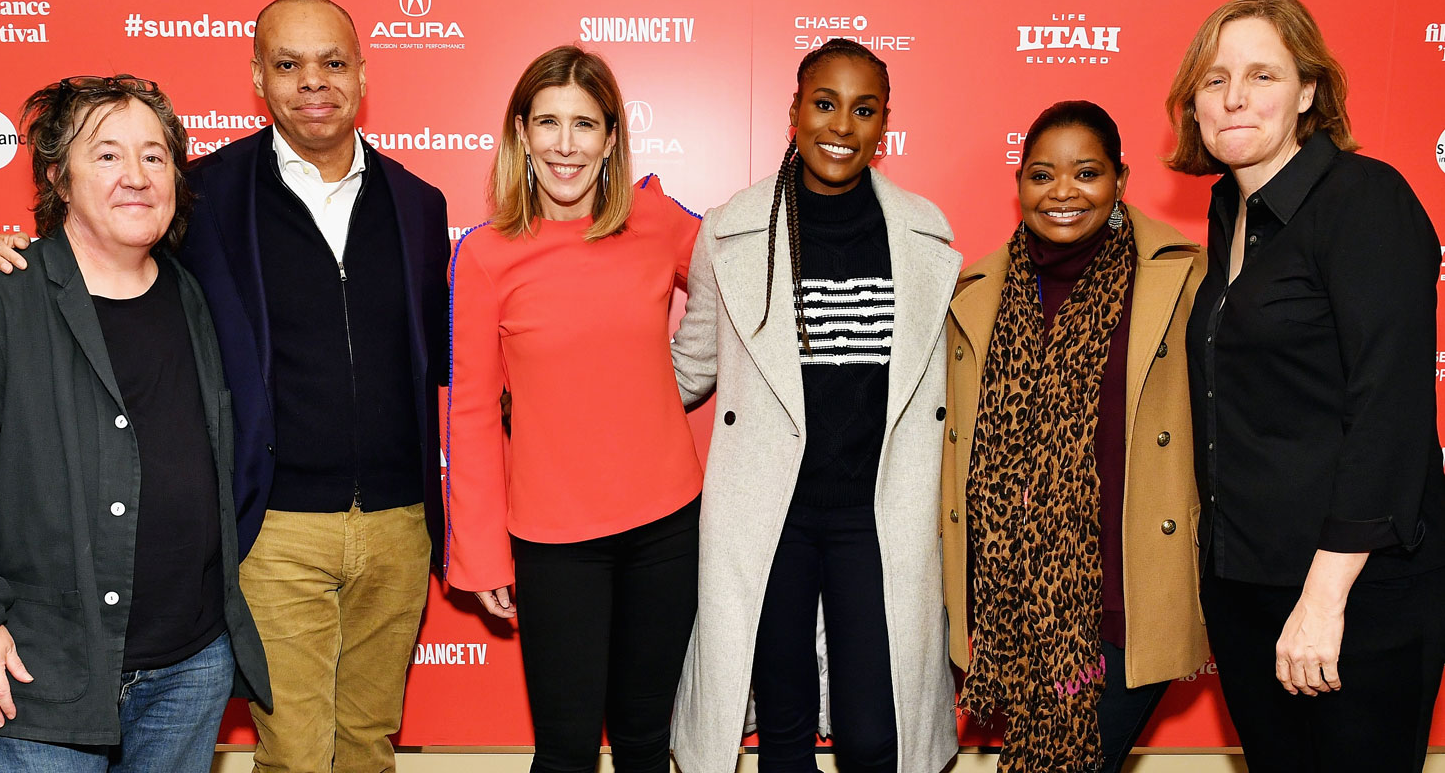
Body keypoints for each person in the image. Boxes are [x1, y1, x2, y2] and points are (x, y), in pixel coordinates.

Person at [0, 0, 451, 773]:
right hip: (275, 529)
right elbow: (98, 246)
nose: (311, 82)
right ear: (258, 76)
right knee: (294, 752)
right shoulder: (205, 195)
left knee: (367, 744)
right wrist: (9, 251)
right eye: (287, 64)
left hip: (396, 526)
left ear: (363, 73)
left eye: (332, 62)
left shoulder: (420, 204)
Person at [0, 75, 269, 772]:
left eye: (154, 157)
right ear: (58, 178)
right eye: (108, 155)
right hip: (34, 679)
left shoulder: (192, 293)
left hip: (188, 668)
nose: (137, 176)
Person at [1166, 0, 1445, 772]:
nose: (1235, 97)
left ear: (1308, 93)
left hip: (1356, 597)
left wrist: (1324, 603)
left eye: (1262, 75)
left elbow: (1388, 411)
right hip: (1248, 589)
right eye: (1215, 80)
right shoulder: (1231, 214)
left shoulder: (1364, 200)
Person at [669, 39, 959, 773]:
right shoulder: (731, 229)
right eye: (824, 103)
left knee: (873, 735)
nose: (842, 125)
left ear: (884, 124)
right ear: (793, 112)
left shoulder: (926, 234)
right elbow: (690, 369)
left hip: (878, 512)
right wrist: (575, 390)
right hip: (770, 517)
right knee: (786, 733)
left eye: (864, 110)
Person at [447, 45, 702, 773]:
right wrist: (482, 551)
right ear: (521, 133)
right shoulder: (486, 254)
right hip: (554, 542)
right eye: (549, 123)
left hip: (667, 526)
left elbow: (748, 272)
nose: (566, 144)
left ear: (612, 137)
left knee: (648, 745)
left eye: (585, 125)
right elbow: (467, 413)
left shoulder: (656, 221)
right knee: (564, 752)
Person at [940, 100, 1208, 773]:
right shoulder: (977, 292)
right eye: (1041, 175)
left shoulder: (1182, 279)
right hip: (1012, 602)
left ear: (1120, 180)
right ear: (1020, 185)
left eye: (1086, 173)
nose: (1062, 192)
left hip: (1126, 599)